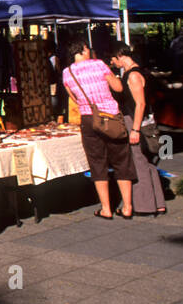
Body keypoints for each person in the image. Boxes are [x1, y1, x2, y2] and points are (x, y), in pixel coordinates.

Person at [63, 41, 136, 219]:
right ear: (84, 49)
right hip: (111, 116)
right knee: (121, 160)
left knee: (97, 163)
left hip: (88, 119)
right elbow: (118, 88)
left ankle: (106, 208)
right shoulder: (99, 65)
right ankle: (127, 207)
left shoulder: (67, 73)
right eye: (88, 48)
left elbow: (74, 98)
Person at [108, 43, 167, 216]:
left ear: (119, 55)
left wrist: (135, 130)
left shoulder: (133, 75)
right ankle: (158, 202)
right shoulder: (136, 72)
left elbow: (140, 104)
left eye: (112, 58)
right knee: (147, 163)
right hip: (142, 122)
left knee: (139, 162)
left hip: (137, 122)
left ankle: (144, 205)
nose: (112, 62)